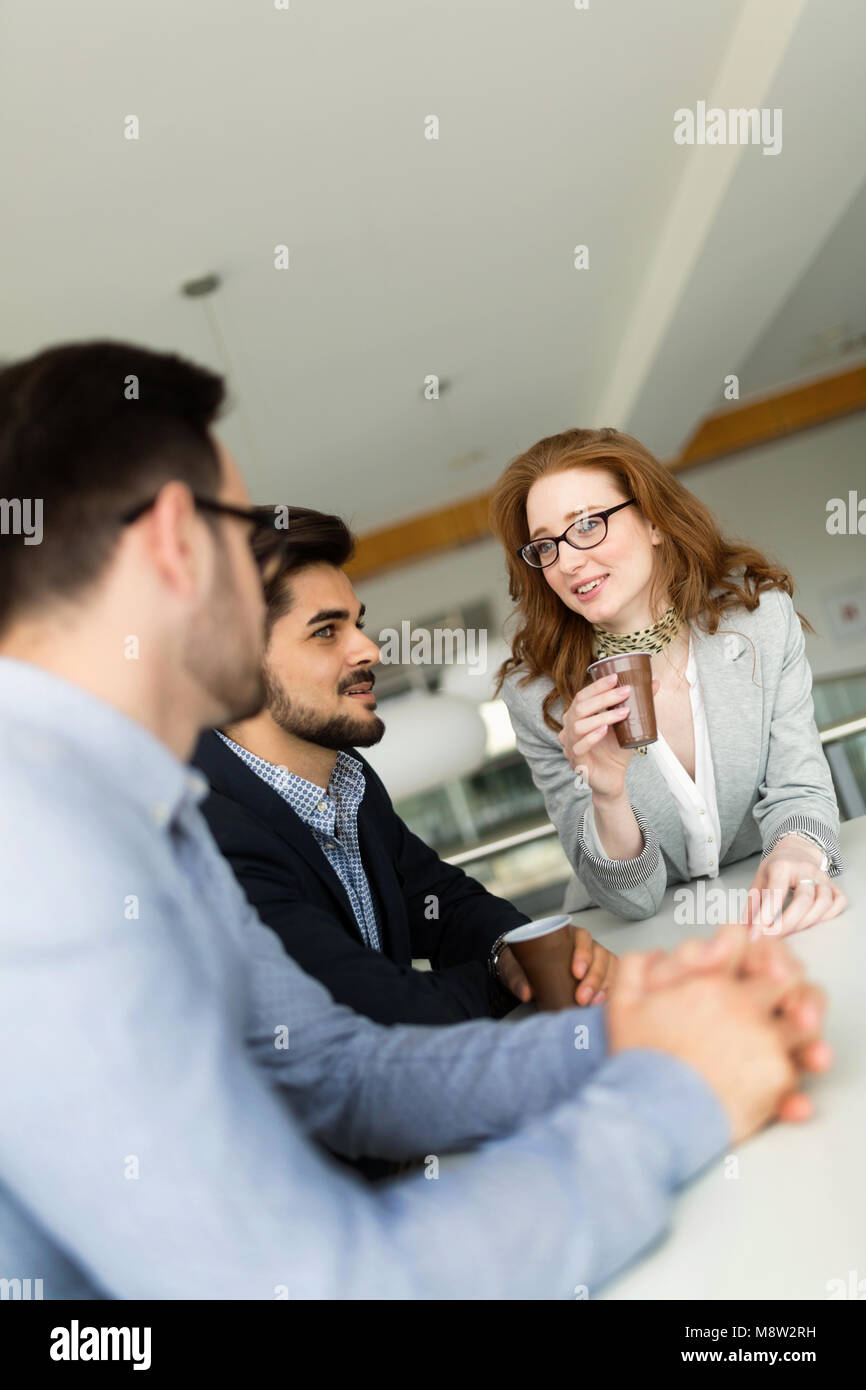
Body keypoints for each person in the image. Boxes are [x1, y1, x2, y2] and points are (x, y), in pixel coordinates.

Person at [0, 341, 829, 1299]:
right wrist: (673, 1094)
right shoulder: (37, 858)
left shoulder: (148, 806)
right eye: (240, 531)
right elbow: (319, 1285)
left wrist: (633, 1031)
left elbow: (340, 1071)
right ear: (174, 541)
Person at [192, 506, 617, 1027]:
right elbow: (367, 1008)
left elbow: (440, 899)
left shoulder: (348, 781)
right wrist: (533, 976)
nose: (369, 648)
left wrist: (511, 950)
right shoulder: (202, 830)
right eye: (326, 632)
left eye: (357, 623)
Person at [491, 427, 848, 934]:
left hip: (765, 910)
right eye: (544, 545)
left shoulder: (760, 622)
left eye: (588, 525)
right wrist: (608, 794)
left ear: (654, 520)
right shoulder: (537, 697)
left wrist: (796, 851)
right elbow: (631, 903)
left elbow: (799, 788)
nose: (568, 561)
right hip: (634, 943)